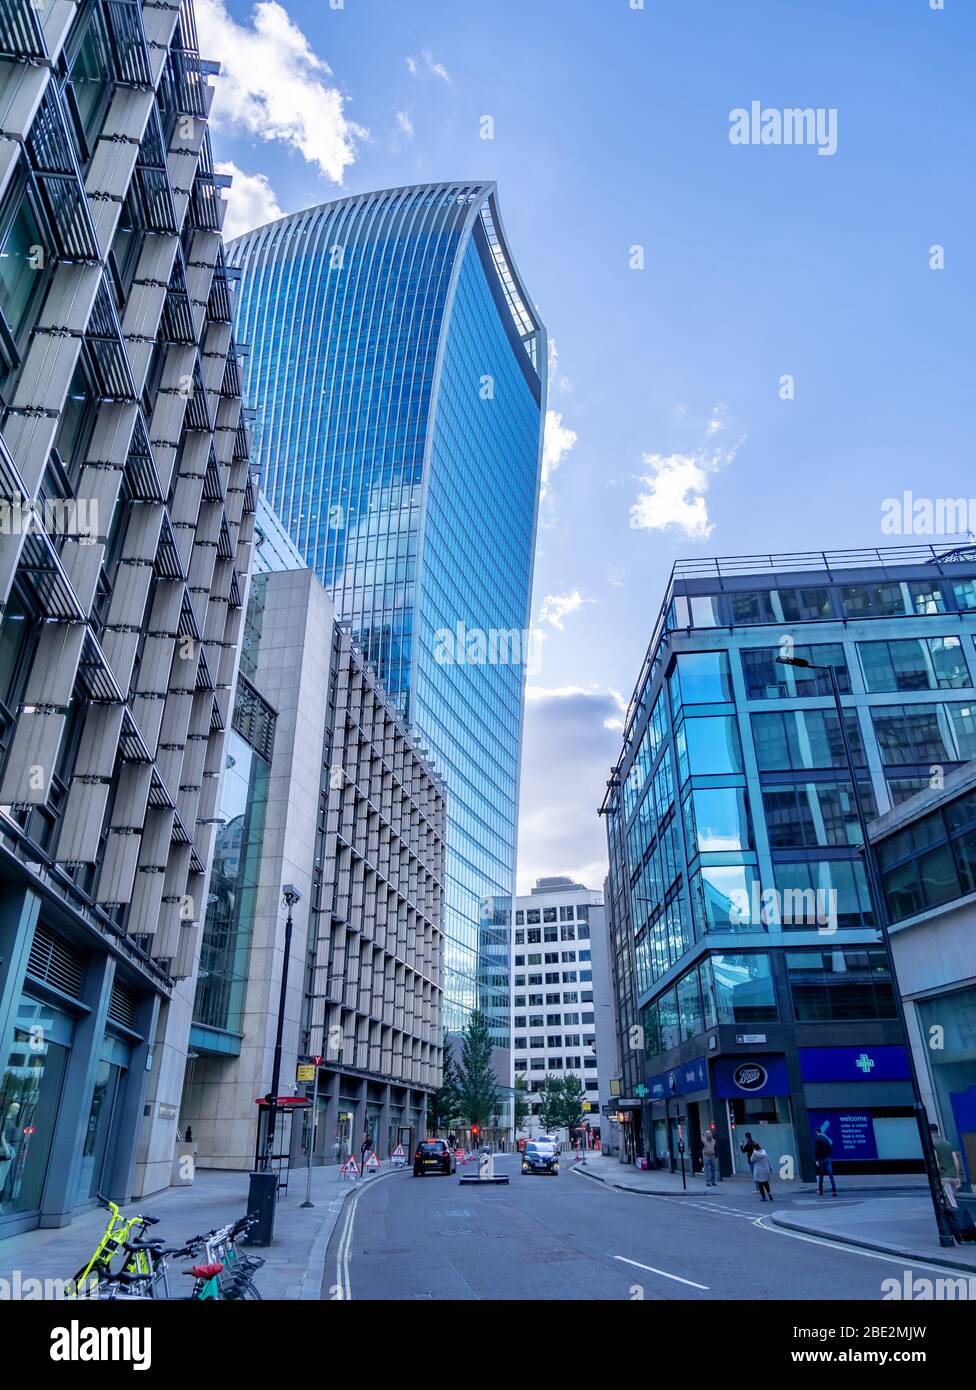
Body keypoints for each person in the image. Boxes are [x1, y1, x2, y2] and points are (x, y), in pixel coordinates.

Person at [931, 1123, 962, 1209]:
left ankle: (957, 1219)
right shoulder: (948, 1143)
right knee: (949, 1201)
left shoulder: (932, 1143)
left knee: (951, 1201)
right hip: (953, 1176)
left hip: (943, 1177)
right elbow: (956, 1160)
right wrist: (957, 1176)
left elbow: (936, 1160)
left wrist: (938, 1177)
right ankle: (953, 1220)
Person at [814, 1125, 837, 1197]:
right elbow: (830, 1147)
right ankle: (834, 1190)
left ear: (816, 1132)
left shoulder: (817, 1139)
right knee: (830, 1174)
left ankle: (820, 1191)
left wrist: (816, 1160)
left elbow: (816, 1150)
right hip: (828, 1158)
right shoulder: (826, 1139)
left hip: (822, 1159)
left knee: (821, 1175)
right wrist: (829, 1156)